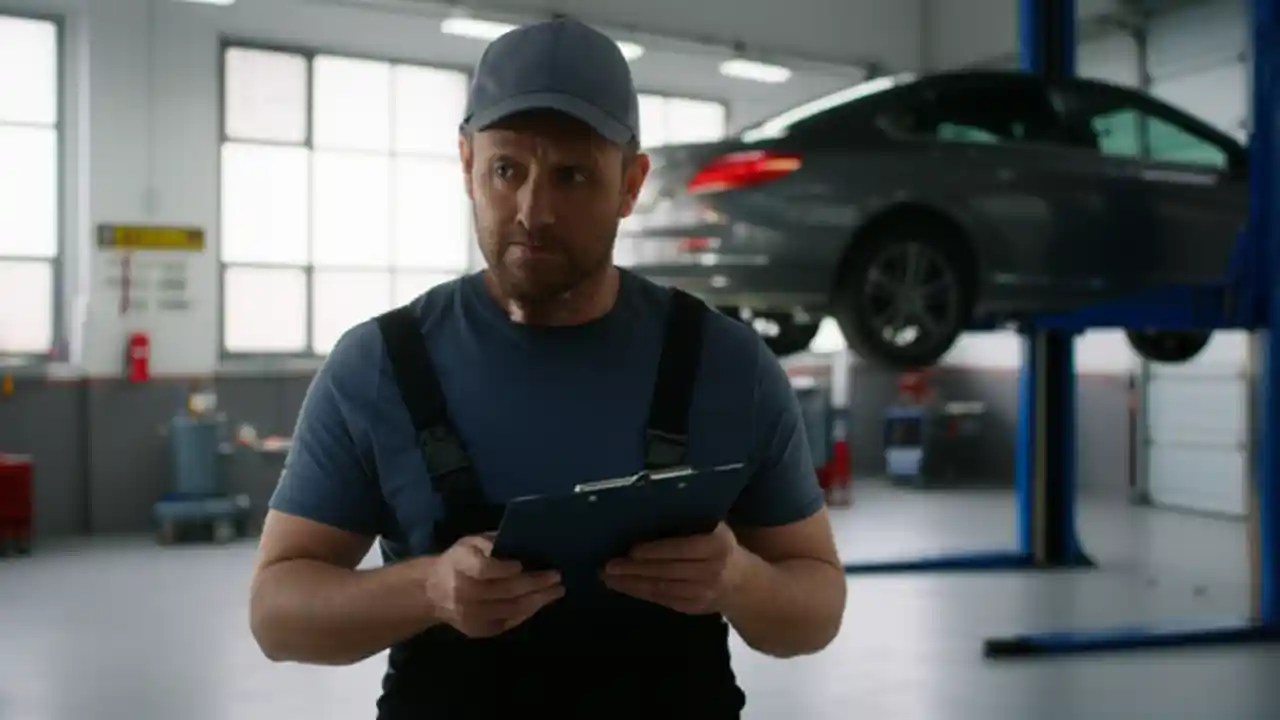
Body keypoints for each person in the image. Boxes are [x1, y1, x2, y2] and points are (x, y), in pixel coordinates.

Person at [248, 16, 847, 719]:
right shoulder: (380, 365)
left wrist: (739, 581)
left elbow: (817, 608)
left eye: (573, 175)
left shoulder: (727, 364)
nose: (534, 212)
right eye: (507, 170)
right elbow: (276, 613)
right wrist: (428, 590)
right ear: (467, 165)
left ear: (631, 183)